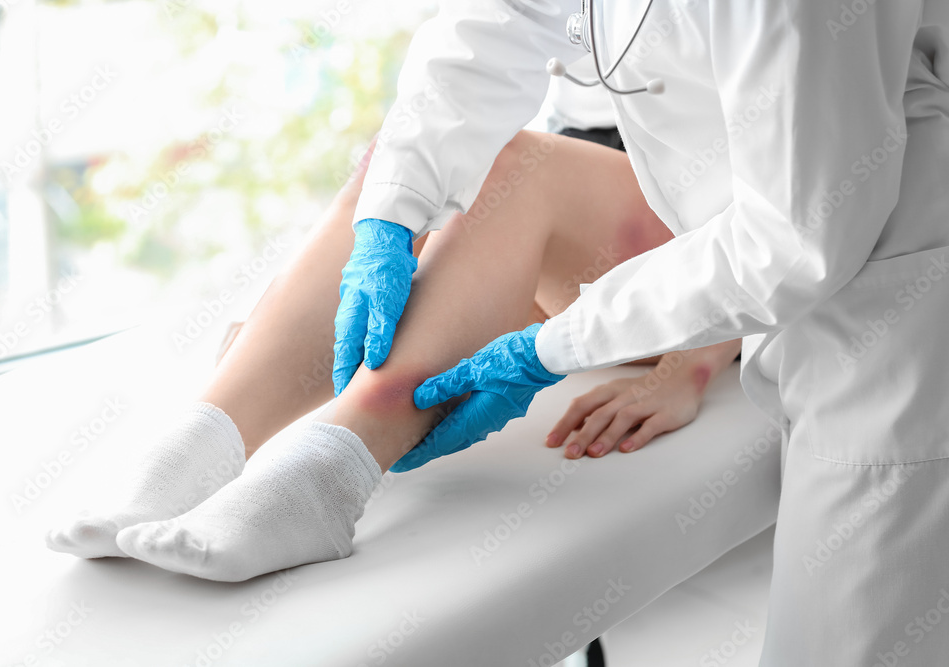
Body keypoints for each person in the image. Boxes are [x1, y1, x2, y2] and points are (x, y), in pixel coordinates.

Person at [358, 1, 948, 665]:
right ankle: (268, 443)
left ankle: (329, 461)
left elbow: (794, 239)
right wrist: (392, 204)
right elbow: (507, 17)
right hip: (797, 261)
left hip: (893, 291)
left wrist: (553, 346)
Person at [45, 90, 742, 582]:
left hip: (706, 242)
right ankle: (204, 440)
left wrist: (698, 357)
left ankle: (327, 479)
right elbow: (473, 65)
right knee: (404, 162)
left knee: (518, 162)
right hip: (578, 208)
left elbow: (808, 208)